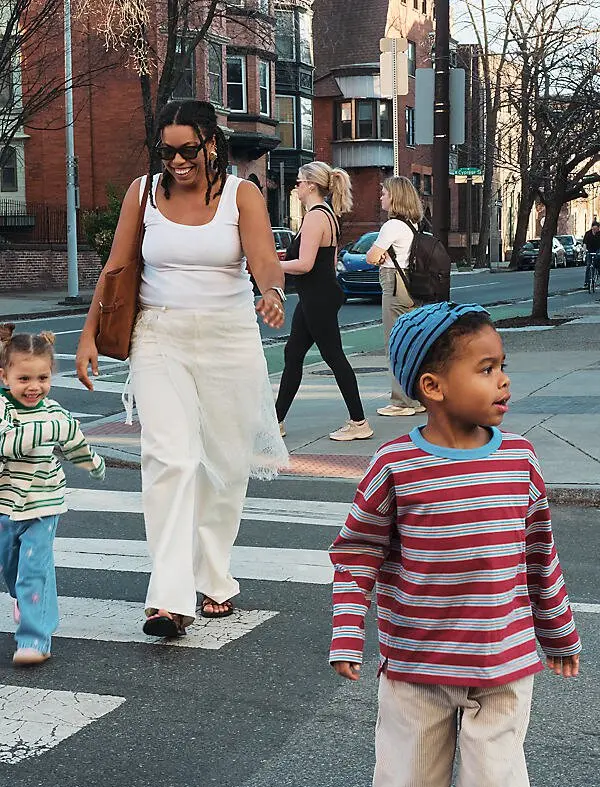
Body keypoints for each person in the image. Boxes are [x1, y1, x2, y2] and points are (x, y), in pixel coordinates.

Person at [329, 302, 581, 787]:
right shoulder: (396, 466)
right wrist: (346, 632)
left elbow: (539, 552)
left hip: (503, 667)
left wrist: (559, 631)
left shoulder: (519, 461)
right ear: (433, 386)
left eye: (503, 366)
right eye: (487, 368)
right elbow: (356, 552)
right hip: (417, 670)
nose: (504, 380)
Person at [76, 99, 288, 638]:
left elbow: (263, 258)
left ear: (211, 143)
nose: (176, 161)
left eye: (187, 150)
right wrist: (87, 337)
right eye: (166, 151)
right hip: (159, 335)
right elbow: (117, 266)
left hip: (229, 338)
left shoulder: (242, 194)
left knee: (225, 463)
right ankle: (168, 596)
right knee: (169, 457)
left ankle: (213, 573)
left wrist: (271, 292)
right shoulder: (143, 193)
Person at [0, 327, 105, 666]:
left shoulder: (56, 412)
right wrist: (50, 429)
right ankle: (24, 598)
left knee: (34, 570)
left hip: (44, 503)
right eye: (24, 378)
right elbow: (6, 444)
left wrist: (94, 464)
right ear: (5, 377)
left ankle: (35, 639)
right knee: (11, 566)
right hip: (4, 505)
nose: (34, 387)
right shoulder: (4, 411)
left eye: (43, 377)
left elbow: (75, 443)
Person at [275, 161, 373, 442]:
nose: (296, 187)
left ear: (311, 186)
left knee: (334, 357)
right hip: (316, 296)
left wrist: (271, 262)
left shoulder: (316, 217)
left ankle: (359, 422)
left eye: (298, 182)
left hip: (317, 297)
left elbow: (305, 264)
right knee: (293, 354)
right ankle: (276, 421)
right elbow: (327, 262)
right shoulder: (325, 214)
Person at [366, 175, 426, 418]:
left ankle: (402, 401)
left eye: (384, 193)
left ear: (395, 197)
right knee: (412, 343)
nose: (381, 197)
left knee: (395, 343)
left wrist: (377, 256)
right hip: (411, 285)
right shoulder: (412, 224)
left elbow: (371, 257)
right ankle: (416, 398)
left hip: (394, 284)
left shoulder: (391, 226)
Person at [582, 220, 600, 287]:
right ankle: (586, 282)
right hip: (590, 250)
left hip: (598, 249)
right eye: (594, 229)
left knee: (598, 262)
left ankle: (597, 272)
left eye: (596, 229)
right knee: (588, 265)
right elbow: (584, 243)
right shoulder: (588, 234)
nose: (595, 230)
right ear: (592, 228)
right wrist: (585, 250)